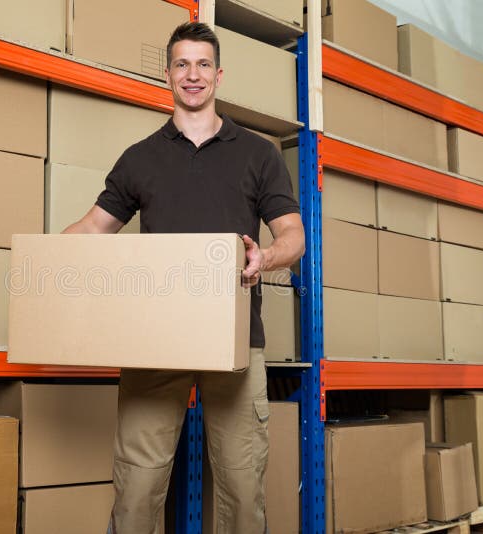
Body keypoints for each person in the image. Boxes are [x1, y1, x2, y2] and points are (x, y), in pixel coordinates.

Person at [63, 21, 305, 534]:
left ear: (218, 76)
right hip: (155, 341)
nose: (192, 75)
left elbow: (293, 236)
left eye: (202, 65)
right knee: (136, 485)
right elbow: (92, 228)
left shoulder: (258, 153)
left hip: (237, 340)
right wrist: (37, 261)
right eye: (181, 64)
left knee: (243, 488)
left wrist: (266, 257)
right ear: (167, 73)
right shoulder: (140, 158)